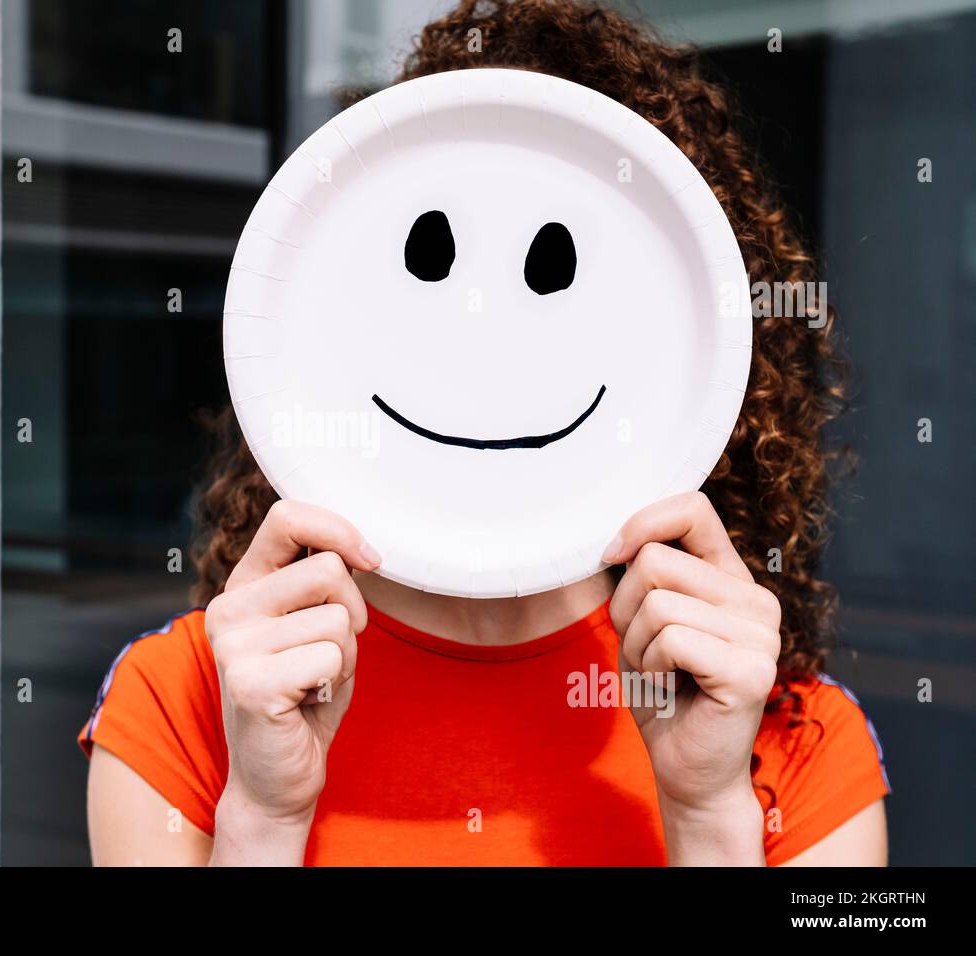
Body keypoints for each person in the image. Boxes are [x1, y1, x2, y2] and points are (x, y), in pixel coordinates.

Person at [80, 0, 889, 866]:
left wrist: (709, 813)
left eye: (556, 269)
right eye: (429, 257)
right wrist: (264, 819)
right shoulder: (189, 700)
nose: (485, 334)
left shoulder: (790, 739)